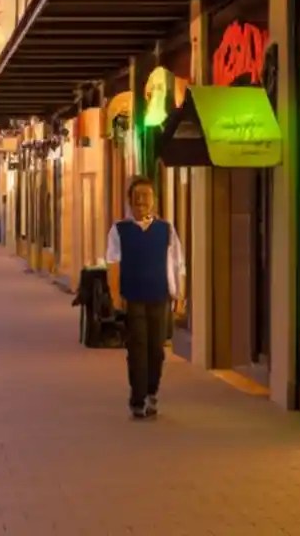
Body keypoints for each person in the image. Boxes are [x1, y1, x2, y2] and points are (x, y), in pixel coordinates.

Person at [106, 176, 184, 420]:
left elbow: (176, 264)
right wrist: (116, 295)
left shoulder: (166, 229)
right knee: (137, 347)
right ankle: (137, 398)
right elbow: (113, 263)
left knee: (156, 349)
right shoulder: (119, 230)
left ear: (154, 201)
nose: (141, 201)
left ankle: (152, 392)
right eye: (137, 197)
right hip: (133, 297)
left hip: (159, 296)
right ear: (130, 201)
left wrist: (179, 294)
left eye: (146, 197)